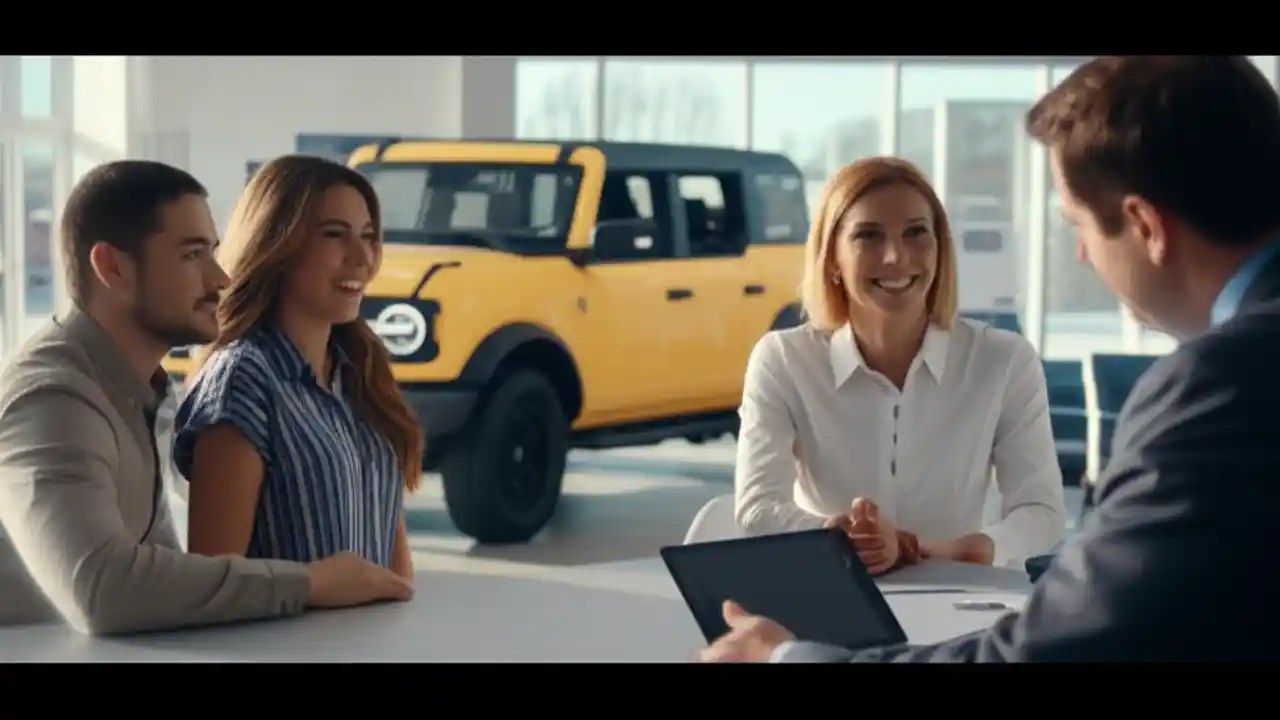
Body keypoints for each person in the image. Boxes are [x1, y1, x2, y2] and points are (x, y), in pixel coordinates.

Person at [702, 55, 1280, 663]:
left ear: (1144, 225)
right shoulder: (1236, 375)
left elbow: (1070, 638)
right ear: (832, 258)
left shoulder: (1216, 388)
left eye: (1077, 225)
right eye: (869, 236)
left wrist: (787, 659)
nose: (1082, 255)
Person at [0, 160, 413, 634]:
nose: (220, 277)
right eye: (192, 254)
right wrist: (312, 583)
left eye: (212, 252)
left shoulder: (140, 392)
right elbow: (99, 591)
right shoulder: (51, 399)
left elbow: (167, 577)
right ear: (113, 268)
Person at [734, 156, 1066, 574]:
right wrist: (840, 538)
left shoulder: (1004, 361)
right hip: (830, 589)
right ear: (832, 258)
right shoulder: (782, 360)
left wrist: (940, 551)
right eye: (868, 236)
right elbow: (758, 506)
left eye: (916, 233)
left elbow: (1041, 513)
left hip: (958, 595)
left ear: (939, 248)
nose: (895, 256)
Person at [172, 155, 421, 581]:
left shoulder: (361, 373)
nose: (362, 256)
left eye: (368, 236)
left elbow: (396, 577)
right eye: (334, 235)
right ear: (278, 246)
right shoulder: (242, 380)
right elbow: (215, 583)